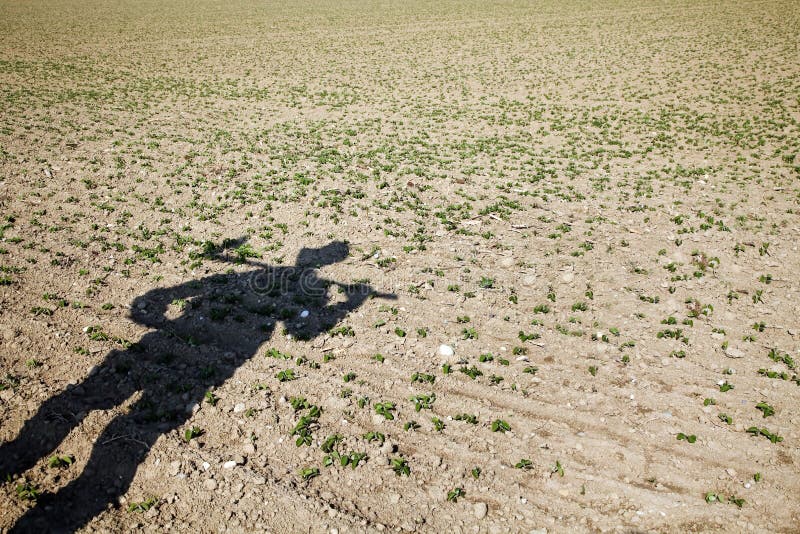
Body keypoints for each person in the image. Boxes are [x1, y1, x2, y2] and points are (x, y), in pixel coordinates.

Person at [0, 240, 391, 532]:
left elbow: (148, 303)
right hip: (170, 358)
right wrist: (350, 303)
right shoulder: (308, 288)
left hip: (147, 351)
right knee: (102, 417)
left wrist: (159, 322)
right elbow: (306, 334)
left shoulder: (240, 275)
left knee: (78, 404)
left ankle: (18, 465)